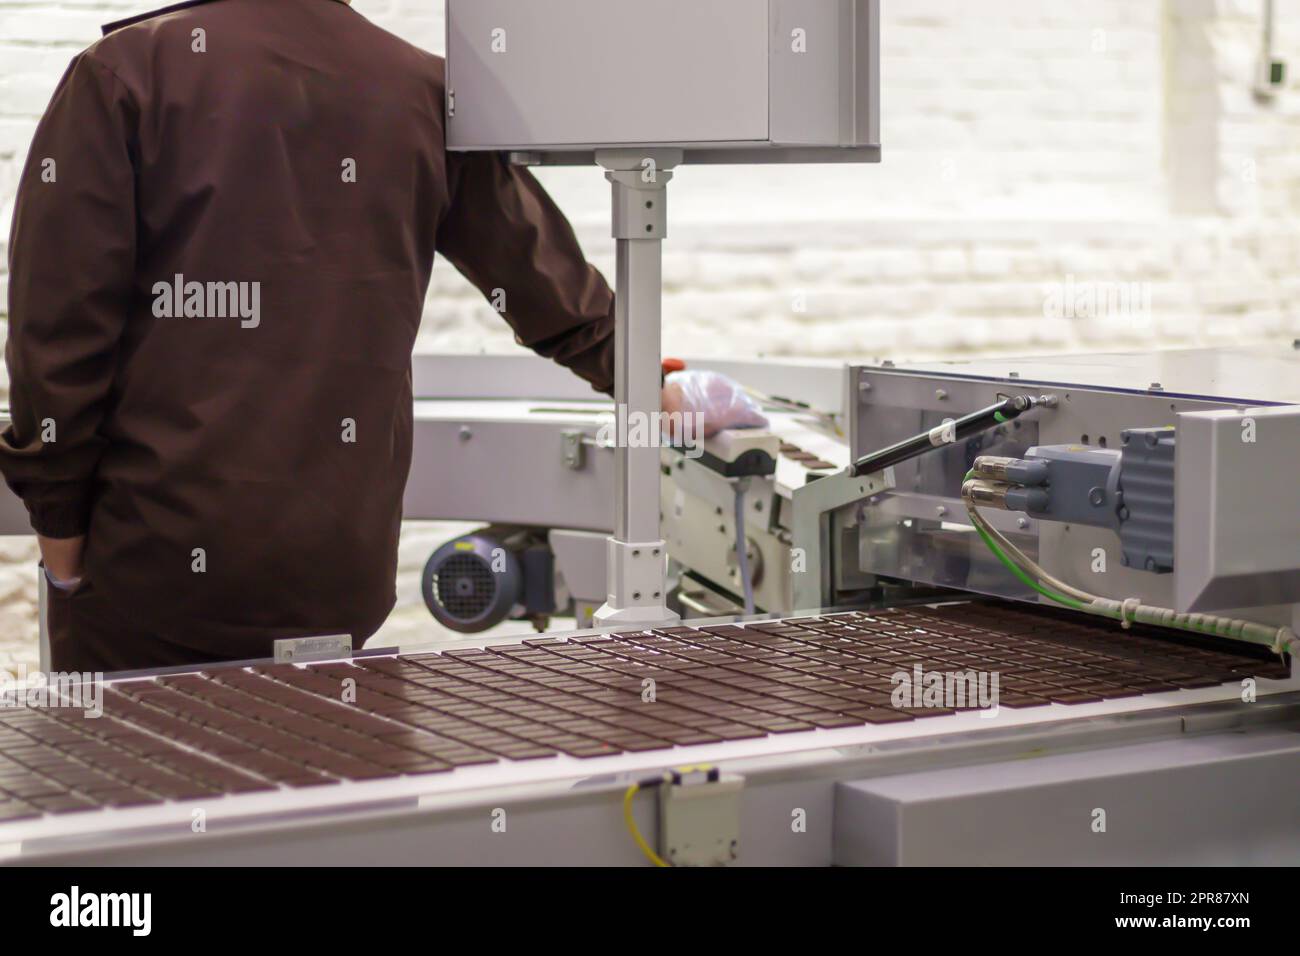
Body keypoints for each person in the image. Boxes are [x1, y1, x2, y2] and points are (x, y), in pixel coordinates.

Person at [1, 0, 758, 672]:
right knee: (328, 809)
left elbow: (60, 329)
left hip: (147, 571)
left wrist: (60, 535)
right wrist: (653, 382)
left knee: (132, 821)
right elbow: (544, 285)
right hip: (336, 571)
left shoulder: (124, 74)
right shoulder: (422, 90)